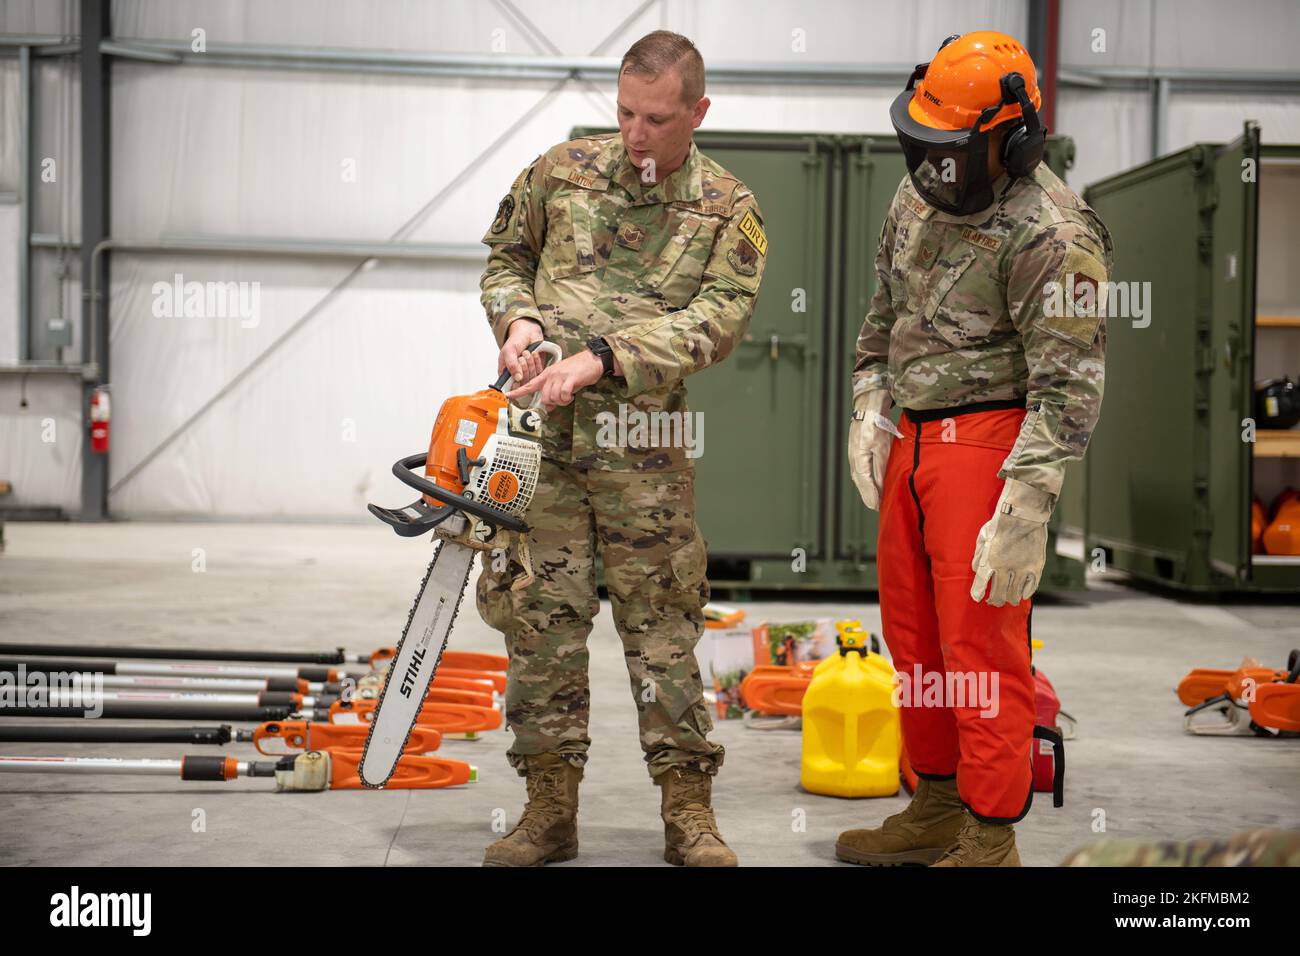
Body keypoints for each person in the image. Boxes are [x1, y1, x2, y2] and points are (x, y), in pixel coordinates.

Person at [475, 29, 767, 867]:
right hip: (542, 447)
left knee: (663, 630)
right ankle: (547, 810)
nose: (636, 134)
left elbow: (717, 322)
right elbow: (506, 258)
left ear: (698, 112)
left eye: (657, 118)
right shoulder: (558, 172)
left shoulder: (728, 209)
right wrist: (519, 321)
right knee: (540, 623)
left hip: (646, 451)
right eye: (626, 113)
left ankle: (688, 814)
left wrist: (602, 360)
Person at [839, 31, 1111, 866]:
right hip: (910, 443)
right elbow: (883, 311)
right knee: (914, 638)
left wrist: (1028, 504)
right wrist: (867, 393)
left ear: (1012, 140)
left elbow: (1069, 385)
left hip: (990, 446)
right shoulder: (918, 197)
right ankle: (938, 803)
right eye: (924, 147)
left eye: (952, 152)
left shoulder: (1054, 232)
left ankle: (990, 834)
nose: (933, 169)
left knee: (981, 645)